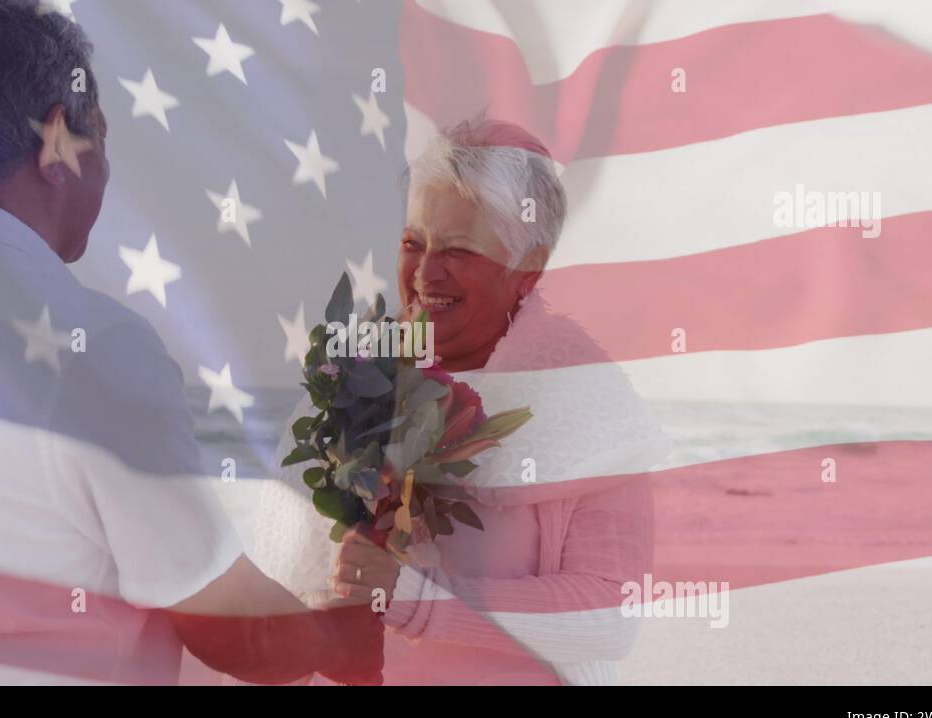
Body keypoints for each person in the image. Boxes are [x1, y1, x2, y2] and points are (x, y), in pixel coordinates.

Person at [0, 0, 380, 685]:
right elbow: (238, 633)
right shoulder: (98, 347)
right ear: (56, 138)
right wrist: (349, 636)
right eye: (102, 137)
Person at [250, 117, 670, 685]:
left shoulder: (585, 397)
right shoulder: (355, 372)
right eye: (412, 243)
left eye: (459, 250)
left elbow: (608, 615)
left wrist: (414, 598)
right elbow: (275, 584)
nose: (424, 272)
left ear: (529, 268)